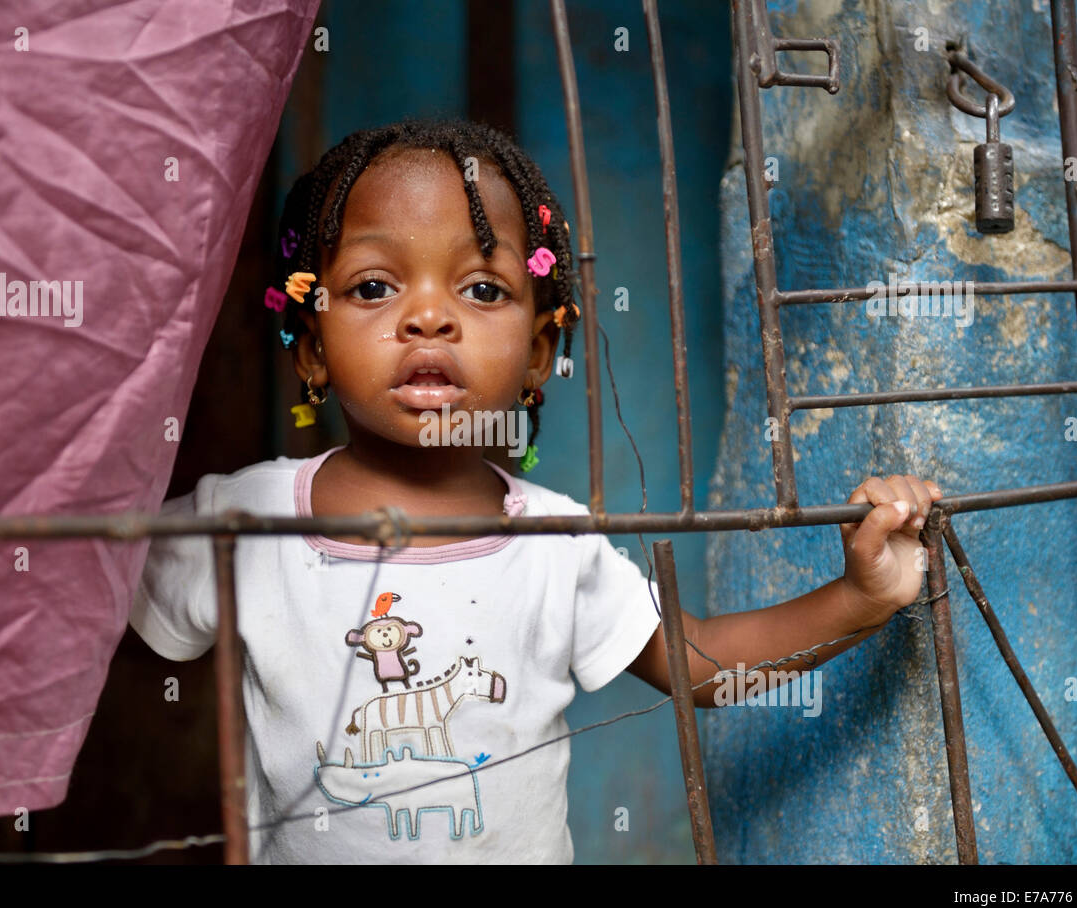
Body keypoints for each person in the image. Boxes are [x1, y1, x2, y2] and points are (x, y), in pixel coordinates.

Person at [128, 118, 943, 863]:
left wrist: (861, 596)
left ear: (537, 353)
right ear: (311, 345)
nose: (429, 318)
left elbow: (699, 668)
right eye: (375, 286)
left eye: (482, 289)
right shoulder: (243, 521)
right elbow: (79, 602)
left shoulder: (555, 538)